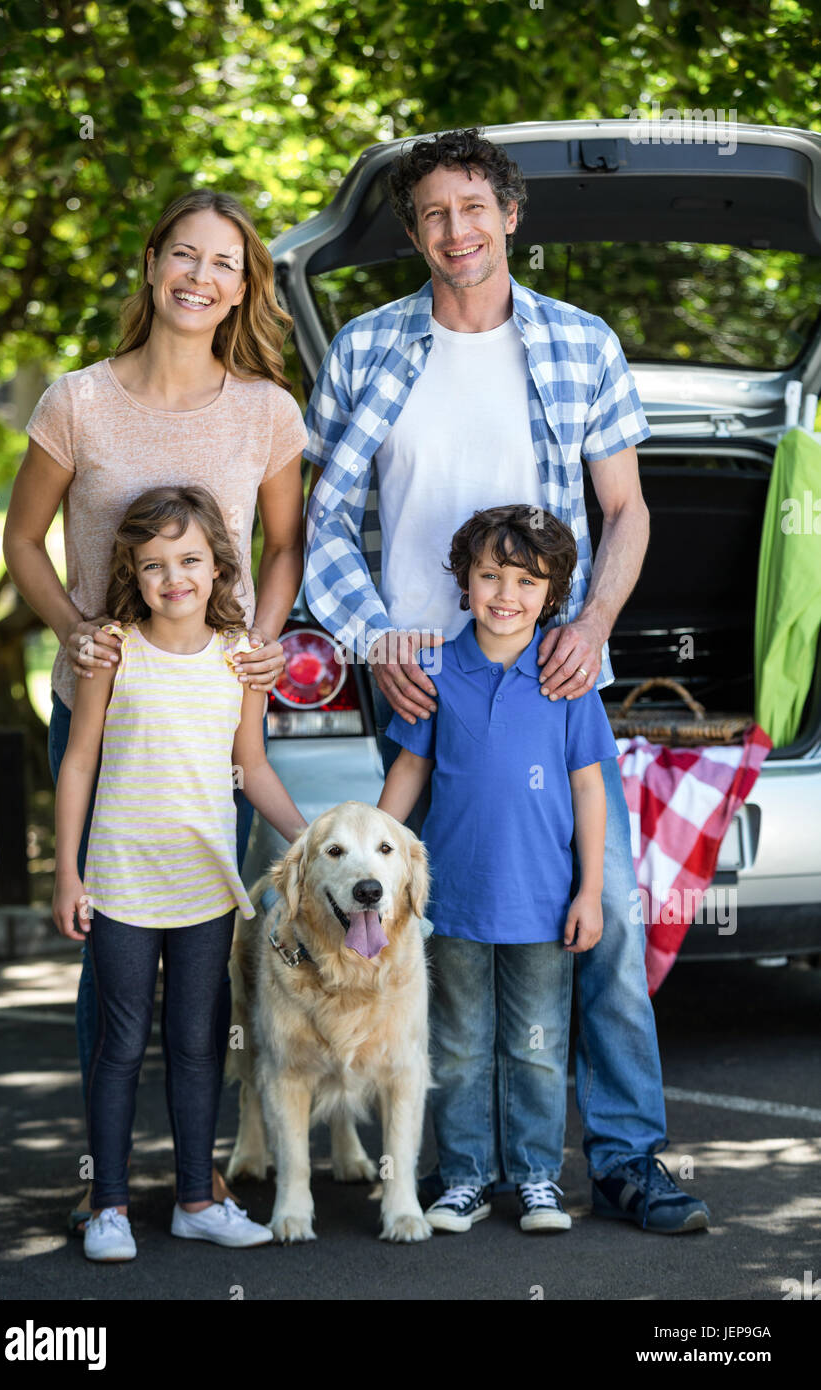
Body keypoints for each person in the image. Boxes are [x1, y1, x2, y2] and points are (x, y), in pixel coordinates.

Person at [304, 128, 710, 1233]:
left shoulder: (579, 344)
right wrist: (376, 633)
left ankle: (624, 1159)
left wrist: (593, 619)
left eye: (472, 208)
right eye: (432, 214)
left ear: (509, 216)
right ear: (411, 230)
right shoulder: (366, 347)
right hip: (419, 686)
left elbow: (623, 511)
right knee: (413, 935)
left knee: (603, 918)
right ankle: (440, 1166)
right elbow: (323, 517)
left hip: (549, 680)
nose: (455, 231)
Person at [2, 189, 307, 1231]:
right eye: (187, 253)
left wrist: (260, 641)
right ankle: (107, 1182)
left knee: (197, 988)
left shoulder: (266, 409)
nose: (202, 275)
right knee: (114, 965)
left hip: (207, 700)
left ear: (241, 287)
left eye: (225, 262)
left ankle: (193, 1180)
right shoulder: (77, 401)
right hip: (103, 699)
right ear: (151, 264)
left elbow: (281, 546)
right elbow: (22, 539)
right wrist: (75, 628)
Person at [53, 484, 308, 1261]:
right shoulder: (111, 650)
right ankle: (110, 1209)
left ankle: (198, 1197)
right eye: (155, 564)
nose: (175, 578)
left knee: (200, 1043)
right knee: (122, 1043)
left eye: (190, 559)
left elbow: (252, 766)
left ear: (219, 565)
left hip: (206, 887)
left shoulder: (241, 660)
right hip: (122, 881)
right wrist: (67, 873)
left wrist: (307, 839)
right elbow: (79, 761)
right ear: (132, 569)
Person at [379, 505, 615, 1233]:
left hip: (543, 907)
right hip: (451, 905)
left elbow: (588, 788)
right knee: (455, 1046)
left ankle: (539, 1178)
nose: (505, 594)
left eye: (525, 580)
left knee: (538, 1049)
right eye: (490, 576)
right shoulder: (437, 670)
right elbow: (410, 772)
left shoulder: (566, 677)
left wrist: (592, 891)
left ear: (553, 595)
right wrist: (376, 869)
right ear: (464, 581)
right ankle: (464, 1179)